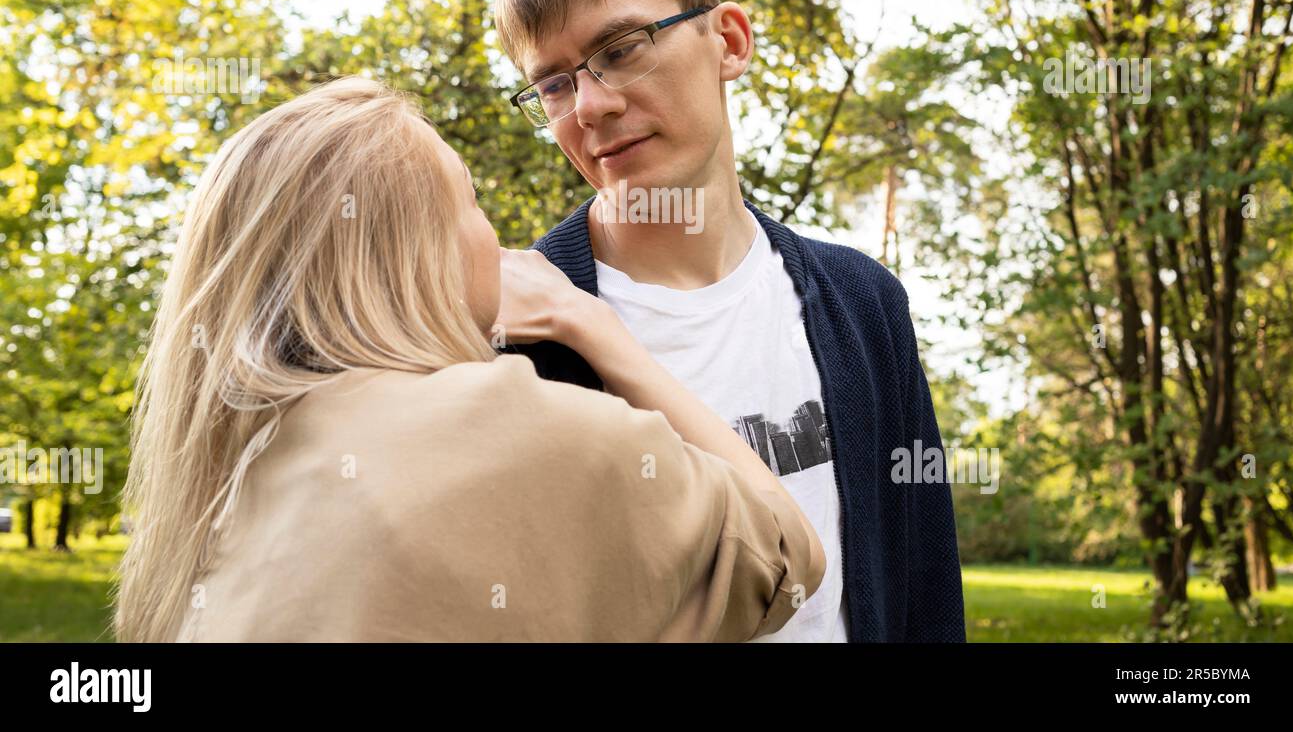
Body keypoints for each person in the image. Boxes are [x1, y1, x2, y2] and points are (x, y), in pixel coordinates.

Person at [112, 77, 825, 642]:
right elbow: (786, 554)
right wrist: (597, 329)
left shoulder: (228, 470)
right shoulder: (510, 421)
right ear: (419, 255)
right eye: (472, 202)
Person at [494, 0, 965, 642]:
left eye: (621, 48)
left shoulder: (864, 303)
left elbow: (925, 588)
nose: (589, 105)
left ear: (730, 41)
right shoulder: (513, 338)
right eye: (552, 84)